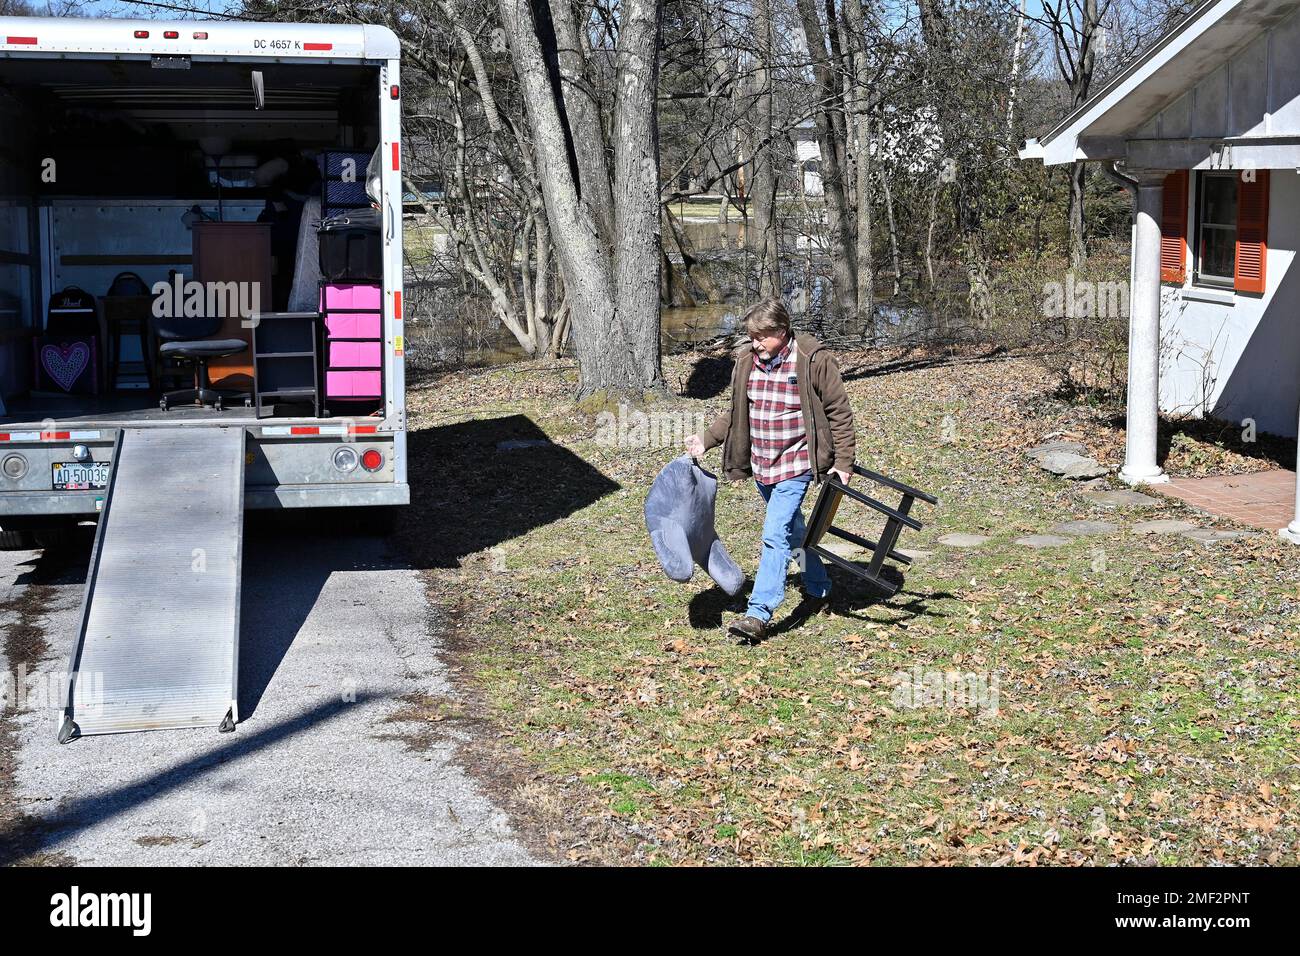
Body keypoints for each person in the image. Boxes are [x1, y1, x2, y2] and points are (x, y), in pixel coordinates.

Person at [685, 297, 856, 642]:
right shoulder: (748, 360)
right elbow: (735, 412)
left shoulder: (812, 359)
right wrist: (706, 440)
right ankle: (820, 584)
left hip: (798, 463)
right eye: (751, 336)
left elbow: (839, 411)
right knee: (794, 533)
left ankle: (758, 612)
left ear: (781, 331)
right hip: (763, 464)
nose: (755, 343)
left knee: (775, 534)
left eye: (762, 336)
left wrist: (843, 463)